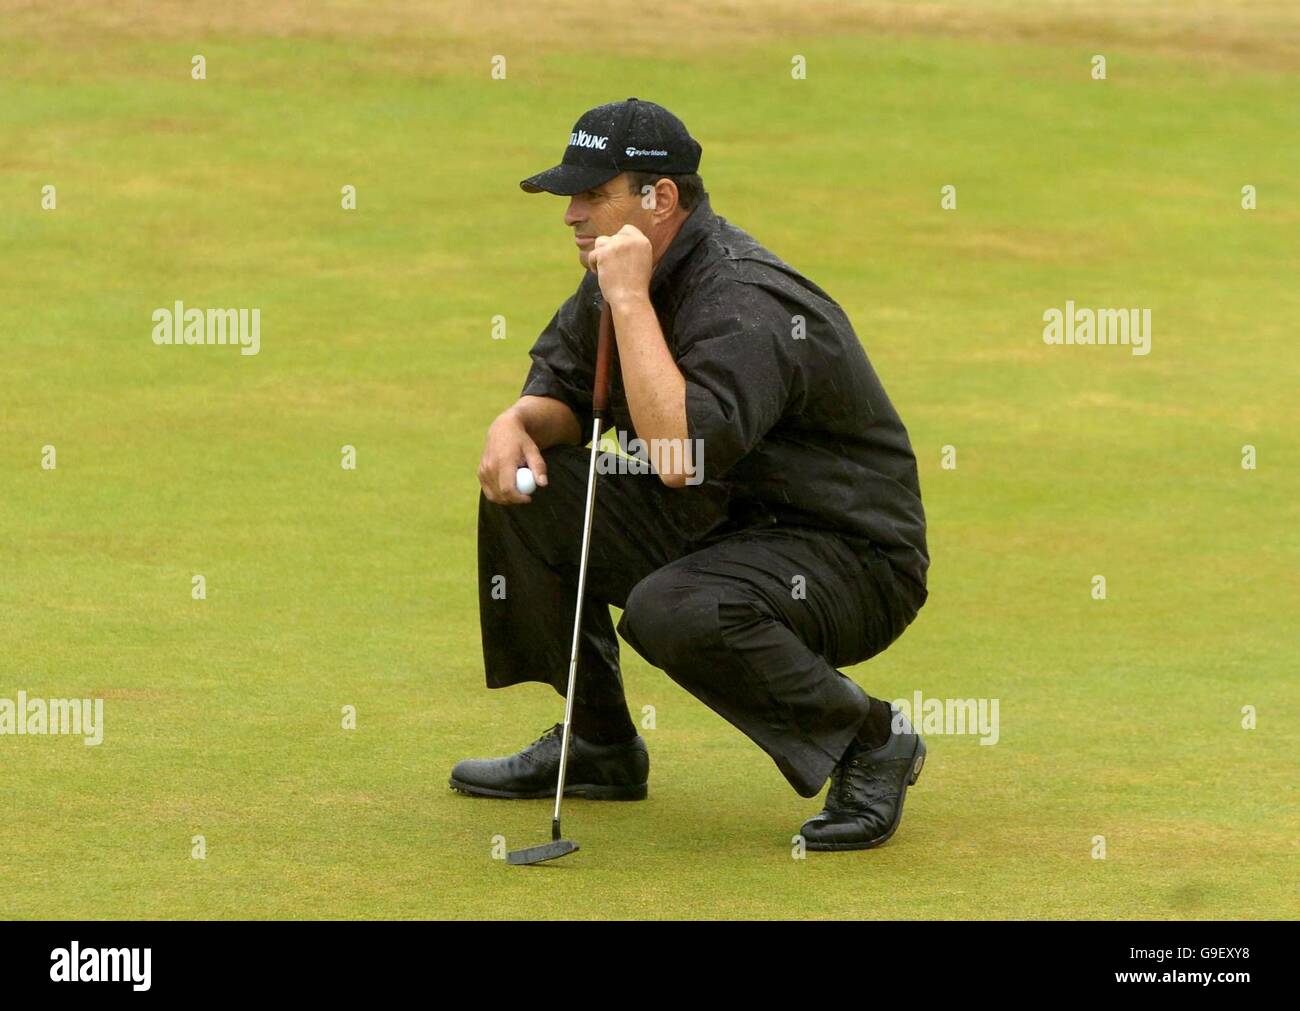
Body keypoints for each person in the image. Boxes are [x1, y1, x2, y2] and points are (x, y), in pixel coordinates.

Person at [453, 98, 930, 850]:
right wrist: (514, 423)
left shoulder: (743, 298)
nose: (572, 213)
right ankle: (600, 743)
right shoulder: (622, 271)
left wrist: (631, 300)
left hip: (850, 556)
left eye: (593, 194)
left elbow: (679, 458)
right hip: (723, 525)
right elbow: (568, 393)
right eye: (570, 195)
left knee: (671, 607)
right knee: (531, 492)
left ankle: (870, 739)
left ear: (661, 198)